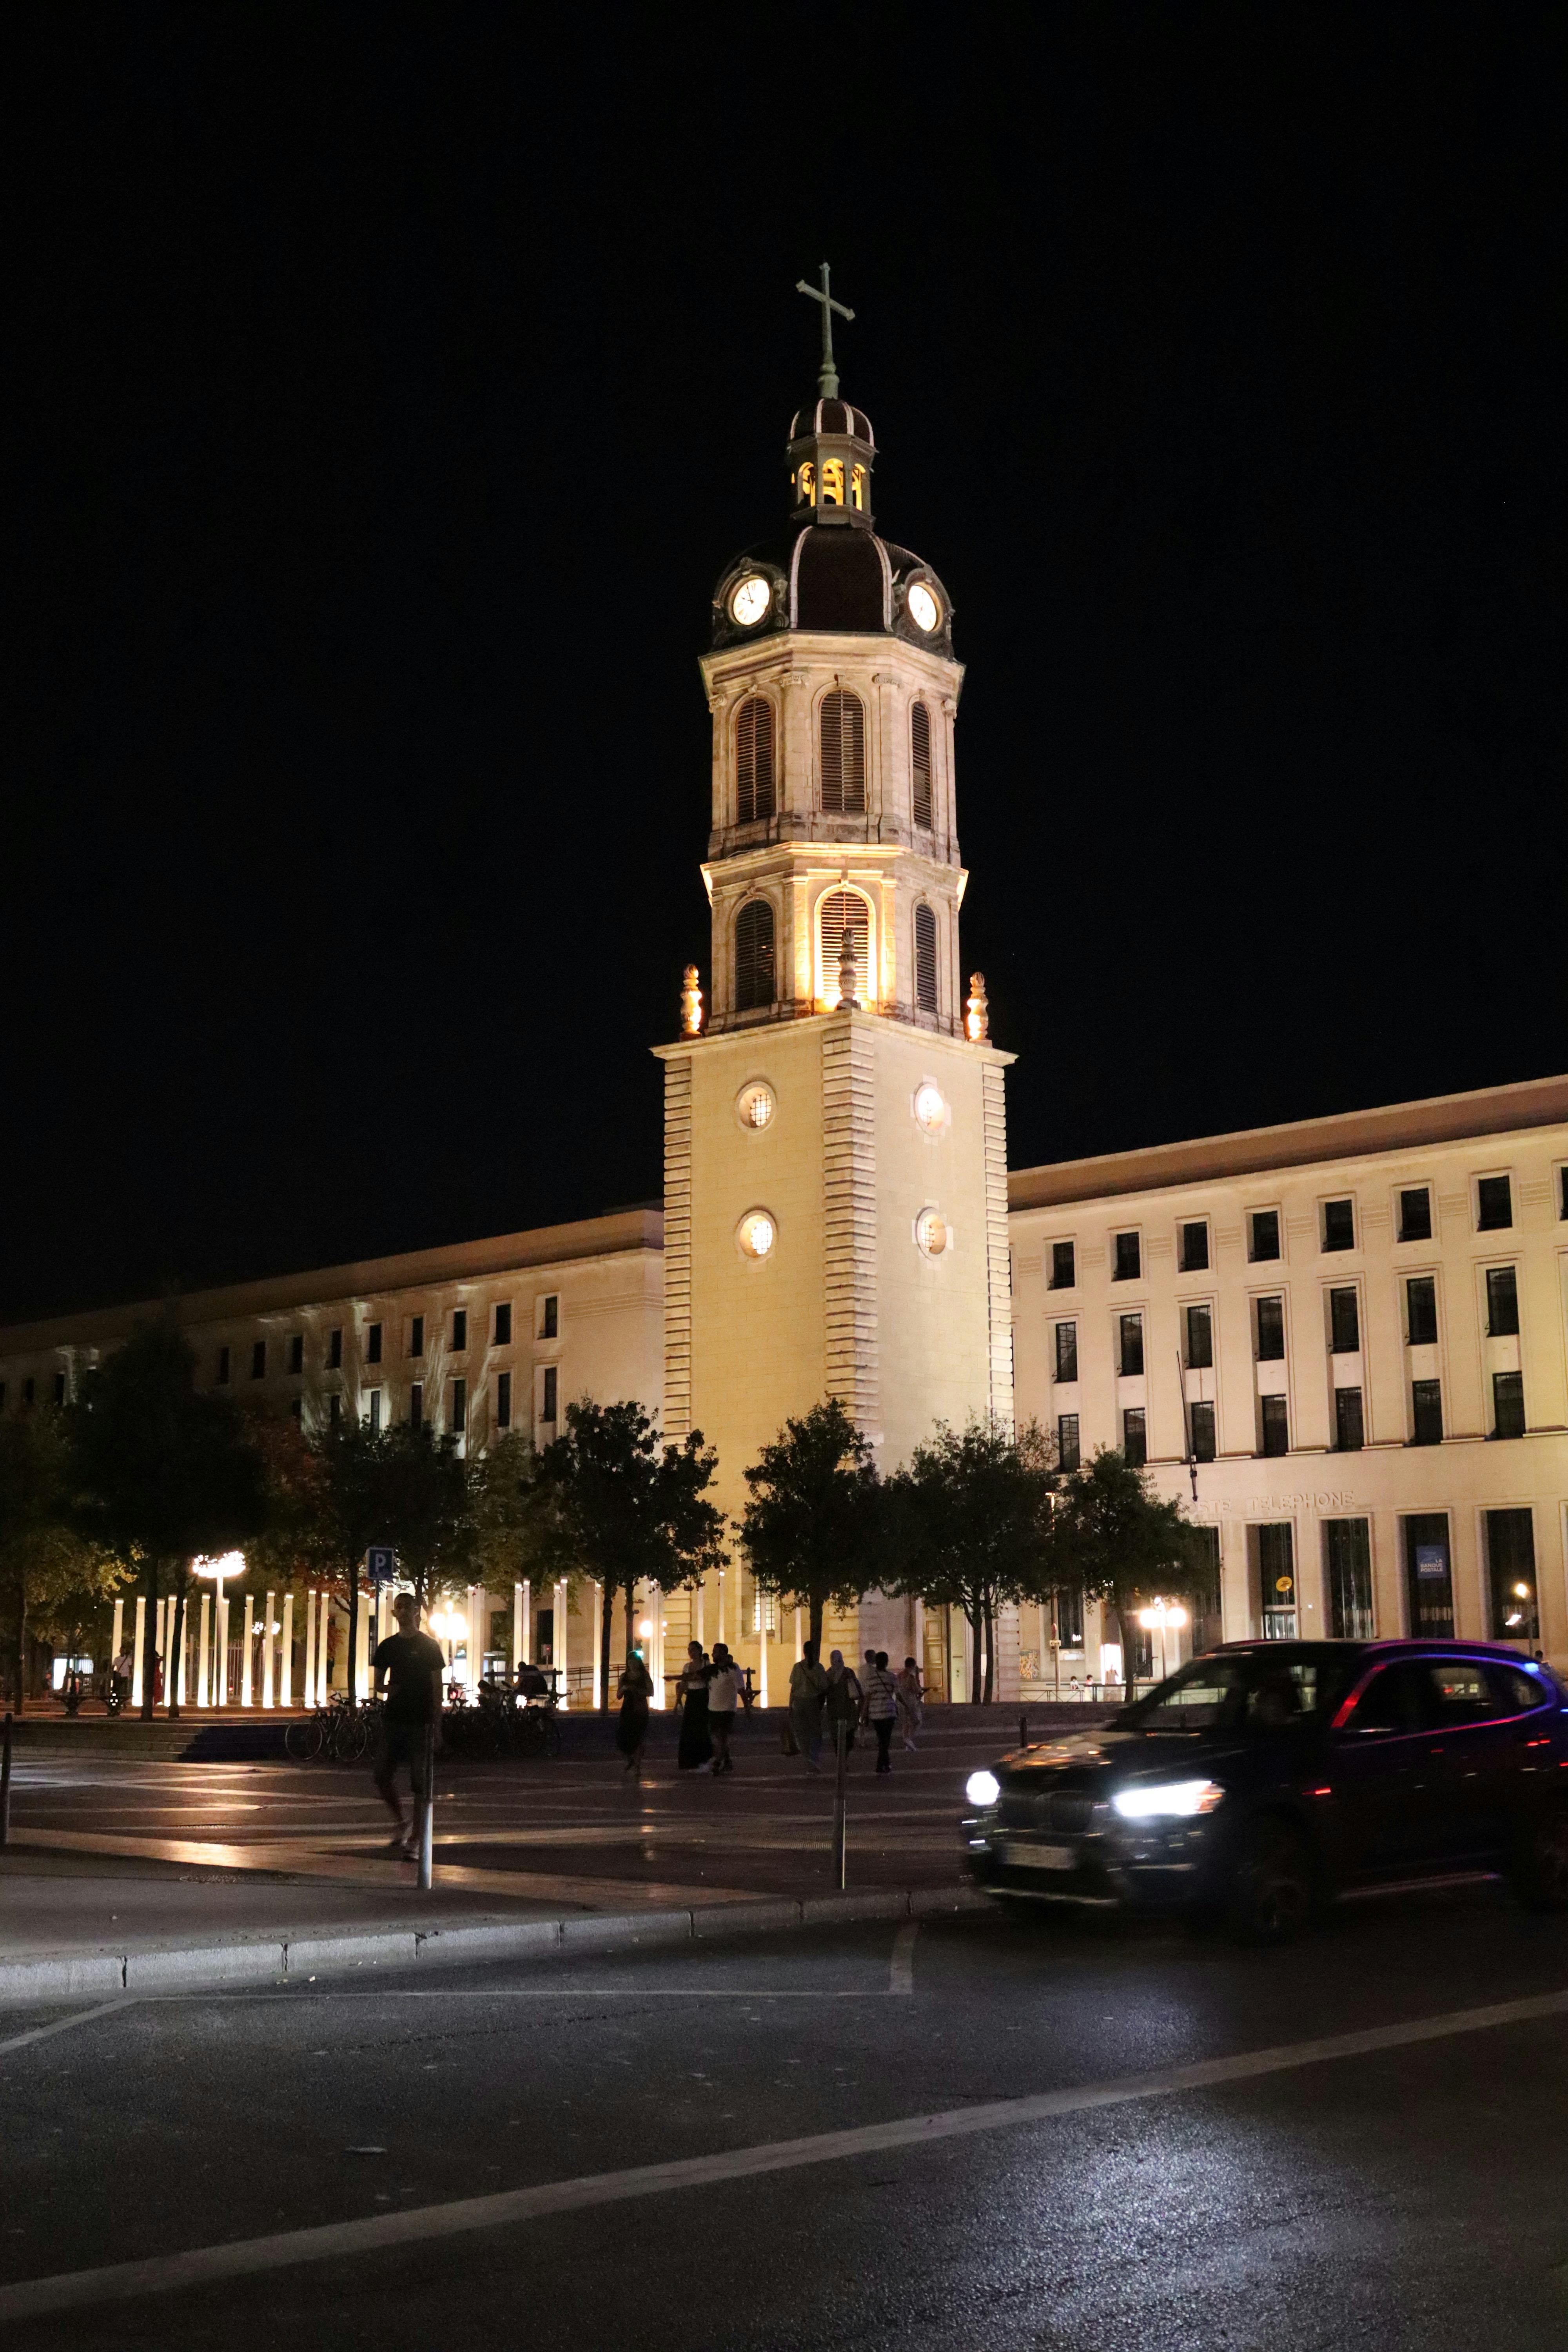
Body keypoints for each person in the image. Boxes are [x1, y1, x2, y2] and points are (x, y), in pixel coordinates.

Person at [371, 1593, 446, 1858]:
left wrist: (437, 1725)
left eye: (408, 1606)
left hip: (421, 1720)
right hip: (394, 1719)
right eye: (399, 1607)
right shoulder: (388, 1647)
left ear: (417, 1611)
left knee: (420, 1782)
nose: (403, 1611)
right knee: (381, 1775)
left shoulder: (429, 1646)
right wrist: (390, 1688)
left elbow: (437, 1688)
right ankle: (401, 1821)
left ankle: (415, 1838)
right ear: (394, 1613)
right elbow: (378, 1684)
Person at [788, 1641, 828, 1770]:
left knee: (801, 1732)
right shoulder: (819, 1668)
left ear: (804, 1652)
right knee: (816, 1732)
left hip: (799, 1703)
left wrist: (790, 1705)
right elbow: (824, 1687)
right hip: (812, 1702)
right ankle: (813, 1757)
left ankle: (807, 1757)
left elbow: (793, 1689)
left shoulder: (797, 1667)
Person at [677, 1641, 713, 1772]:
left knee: (702, 1727)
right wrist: (678, 1701)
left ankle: (704, 1759)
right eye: (689, 1650)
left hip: (703, 1697)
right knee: (689, 1728)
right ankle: (689, 1761)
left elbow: (707, 1680)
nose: (690, 1652)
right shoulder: (687, 1666)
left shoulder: (706, 1664)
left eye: (693, 1649)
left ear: (699, 1650)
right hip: (692, 1697)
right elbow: (684, 1684)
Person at [617, 1650, 654, 1777]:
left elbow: (651, 1692)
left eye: (634, 1662)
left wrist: (637, 1690)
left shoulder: (644, 1676)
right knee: (623, 1738)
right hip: (627, 1709)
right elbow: (618, 1696)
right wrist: (624, 1688)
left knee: (638, 1738)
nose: (632, 1664)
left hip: (640, 1709)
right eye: (630, 1662)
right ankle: (630, 1760)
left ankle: (638, 1766)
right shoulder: (624, 1677)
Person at [707, 1642, 742, 1773]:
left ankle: (718, 1762)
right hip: (713, 1708)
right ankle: (727, 1761)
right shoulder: (713, 1669)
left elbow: (741, 1689)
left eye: (715, 1652)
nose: (712, 1654)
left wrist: (748, 1707)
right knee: (718, 1737)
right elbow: (696, 1676)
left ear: (723, 1654)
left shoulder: (733, 1669)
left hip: (727, 1709)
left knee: (722, 1736)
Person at [864, 1650, 900, 1774]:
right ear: (887, 1663)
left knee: (882, 1739)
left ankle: (884, 1764)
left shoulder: (871, 1678)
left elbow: (868, 1697)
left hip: (875, 1713)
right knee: (886, 1740)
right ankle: (882, 1765)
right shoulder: (892, 1677)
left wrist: (864, 1713)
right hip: (889, 1712)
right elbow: (898, 1694)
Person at [824, 1650, 862, 1761]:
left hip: (834, 1711)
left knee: (837, 1739)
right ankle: (843, 1760)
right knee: (848, 1737)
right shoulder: (848, 1672)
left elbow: (824, 1692)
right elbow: (858, 1690)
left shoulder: (828, 1674)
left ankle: (841, 1760)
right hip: (848, 1710)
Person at [895, 1656, 924, 1753]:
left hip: (900, 1703)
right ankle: (908, 1739)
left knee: (905, 1724)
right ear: (913, 1666)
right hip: (910, 1703)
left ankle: (907, 1745)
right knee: (917, 1721)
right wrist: (917, 1677)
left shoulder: (899, 1676)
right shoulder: (911, 1677)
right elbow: (917, 1689)